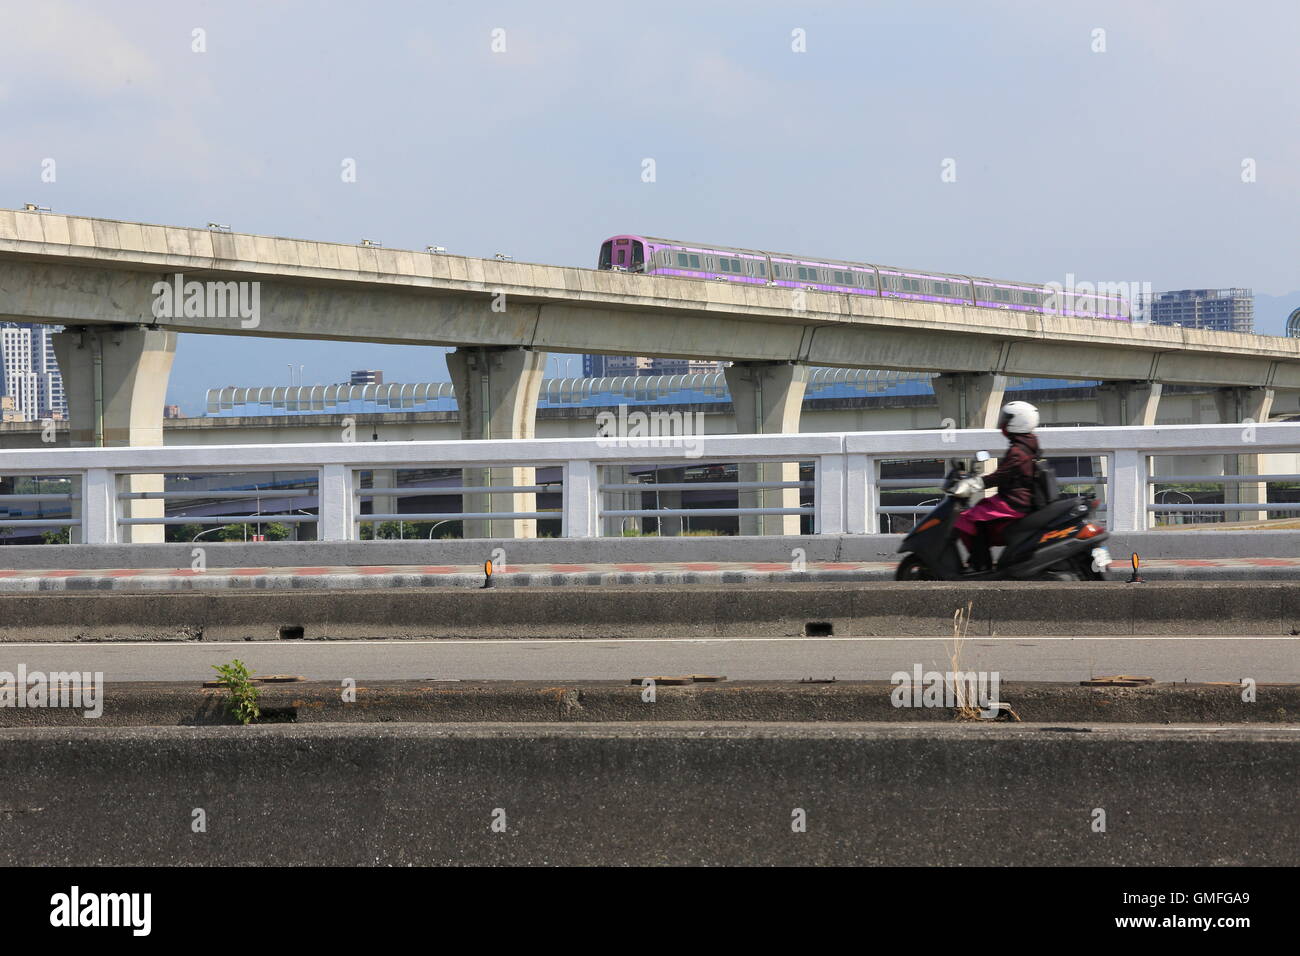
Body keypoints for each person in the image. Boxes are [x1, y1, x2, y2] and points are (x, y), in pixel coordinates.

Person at [953, 401, 1041, 572]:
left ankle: (980, 564)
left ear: (1019, 421)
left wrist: (976, 483)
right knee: (979, 509)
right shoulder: (1029, 442)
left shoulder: (1017, 452)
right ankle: (980, 561)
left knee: (968, 519)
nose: (1003, 422)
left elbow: (1001, 476)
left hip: (1014, 502)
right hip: (1019, 498)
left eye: (1007, 418)